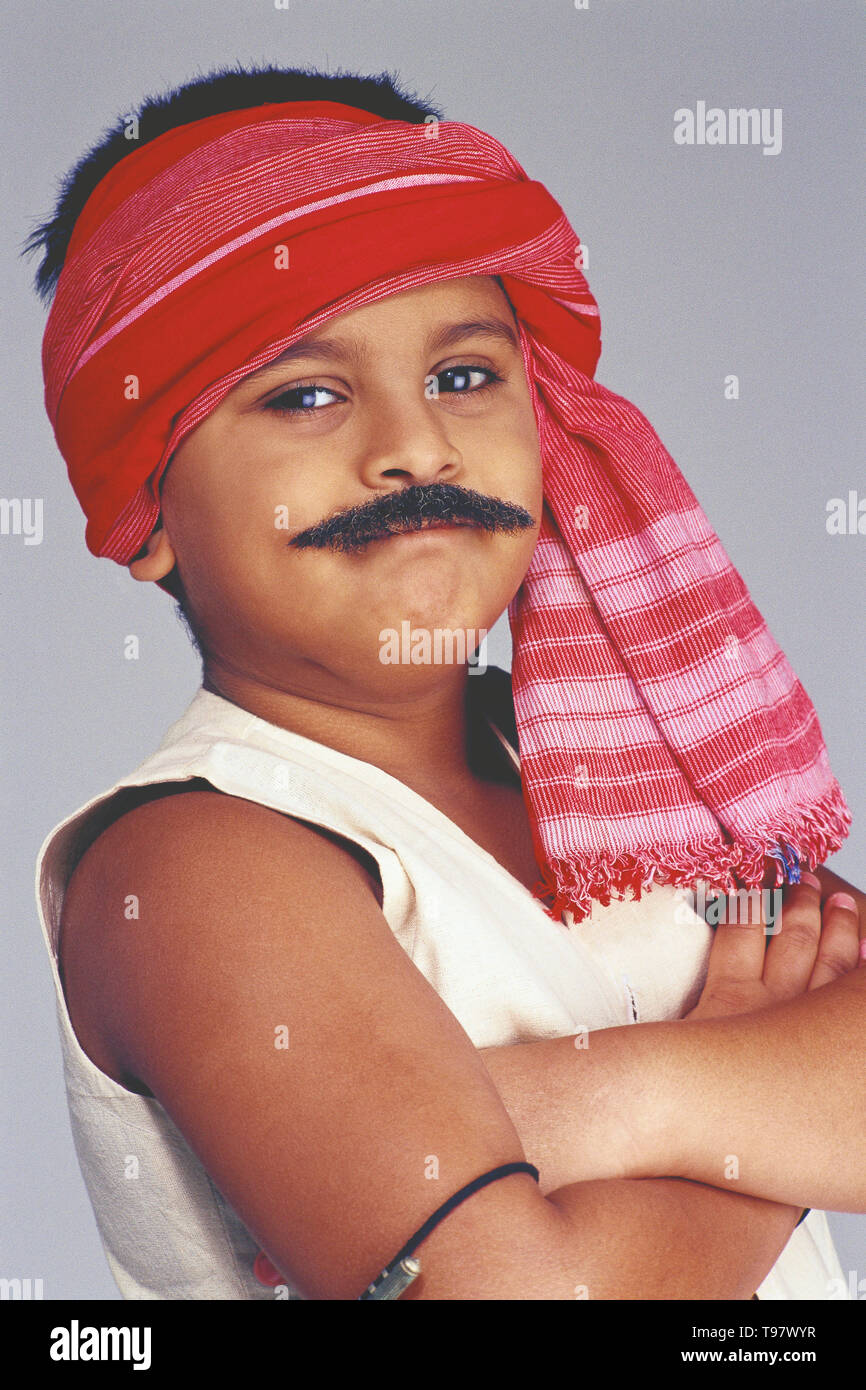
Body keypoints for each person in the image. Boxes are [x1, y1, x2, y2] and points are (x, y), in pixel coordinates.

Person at [27, 62, 865, 1301]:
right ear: (145, 513)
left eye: (464, 376)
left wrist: (588, 1098)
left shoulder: (638, 769)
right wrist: (754, 1079)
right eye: (305, 394)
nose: (413, 445)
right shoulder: (199, 861)